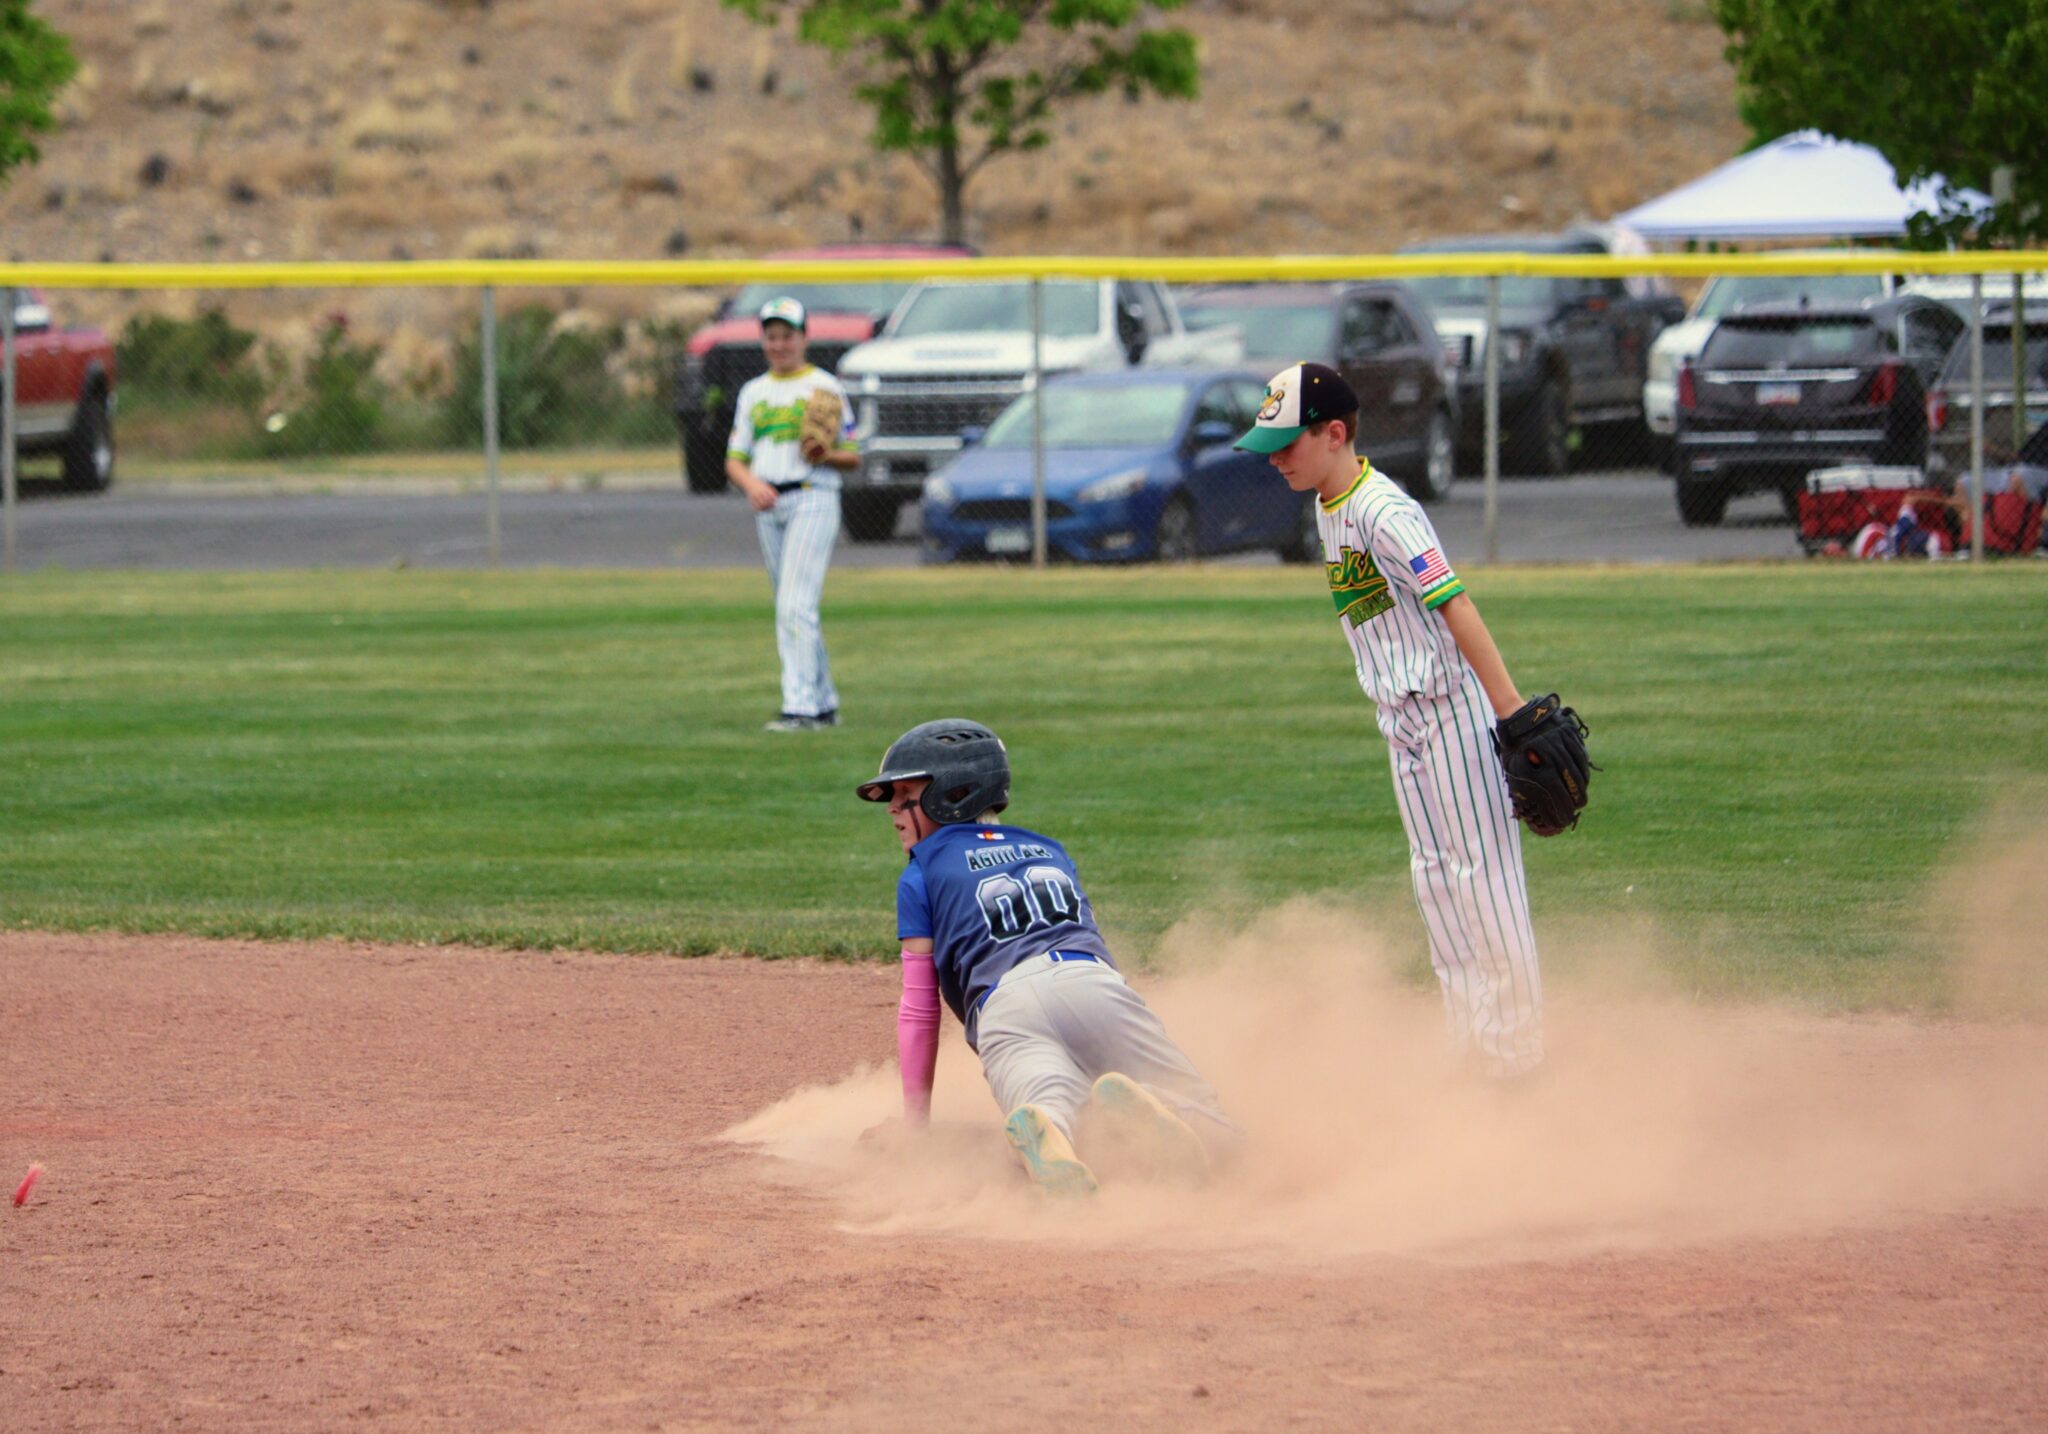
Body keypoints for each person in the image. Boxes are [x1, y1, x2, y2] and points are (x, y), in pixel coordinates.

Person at [1235, 361, 1558, 1078]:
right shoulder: (1328, 504)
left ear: (1335, 434)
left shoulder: (1385, 512)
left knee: (1484, 880)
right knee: (1437, 882)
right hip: (1401, 722)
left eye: (1287, 444)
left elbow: (1455, 603)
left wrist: (1511, 712)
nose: (1276, 460)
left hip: (1451, 714)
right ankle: (1472, 1047)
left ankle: (1517, 1059)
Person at [856, 719, 1238, 1196]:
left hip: (1002, 1011)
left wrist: (915, 1125)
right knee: (1210, 1116)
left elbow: (919, 1007)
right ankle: (1165, 1108)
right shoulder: (1049, 851)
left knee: (1045, 1101)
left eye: (905, 794)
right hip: (1088, 982)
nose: (892, 808)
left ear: (951, 794)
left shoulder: (920, 875)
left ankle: (1054, 1129)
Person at [725, 297, 858, 732]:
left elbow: (853, 455)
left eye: (787, 335)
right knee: (792, 606)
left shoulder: (824, 387)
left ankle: (800, 708)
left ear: (804, 338)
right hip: (769, 502)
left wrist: (826, 454)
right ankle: (823, 701)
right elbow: (735, 459)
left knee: (795, 605)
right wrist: (752, 486)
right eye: (772, 336)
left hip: (813, 495)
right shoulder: (754, 392)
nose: (779, 344)